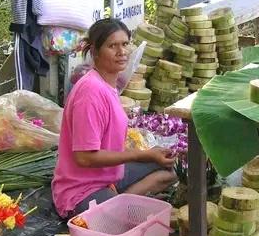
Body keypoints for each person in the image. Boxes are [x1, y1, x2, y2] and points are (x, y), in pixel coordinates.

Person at [52, 18, 177, 218]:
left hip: (107, 175)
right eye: (112, 46)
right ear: (95, 52)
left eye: (125, 44)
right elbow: (84, 157)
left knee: (168, 169)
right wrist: (140, 154)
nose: (122, 52)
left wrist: (149, 154)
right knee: (126, 220)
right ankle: (118, 204)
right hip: (82, 190)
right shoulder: (90, 93)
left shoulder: (108, 84)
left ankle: (119, 200)